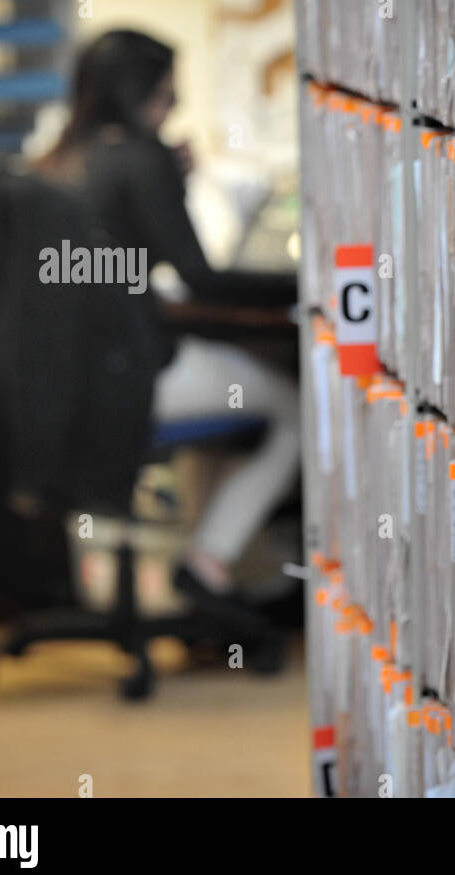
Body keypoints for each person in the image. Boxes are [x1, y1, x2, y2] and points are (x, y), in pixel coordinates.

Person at [37, 30, 301, 613]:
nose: (175, 107)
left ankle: (206, 565)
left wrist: (168, 185)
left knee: (227, 397)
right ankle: (207, 567)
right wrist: (304, 285)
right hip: (134, 381)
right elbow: (202, 278)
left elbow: (120, 257)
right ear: (142, 95)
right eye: (167, 93)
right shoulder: (141, 158)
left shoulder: (55, 164)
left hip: (67, 386)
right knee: (295, 413)